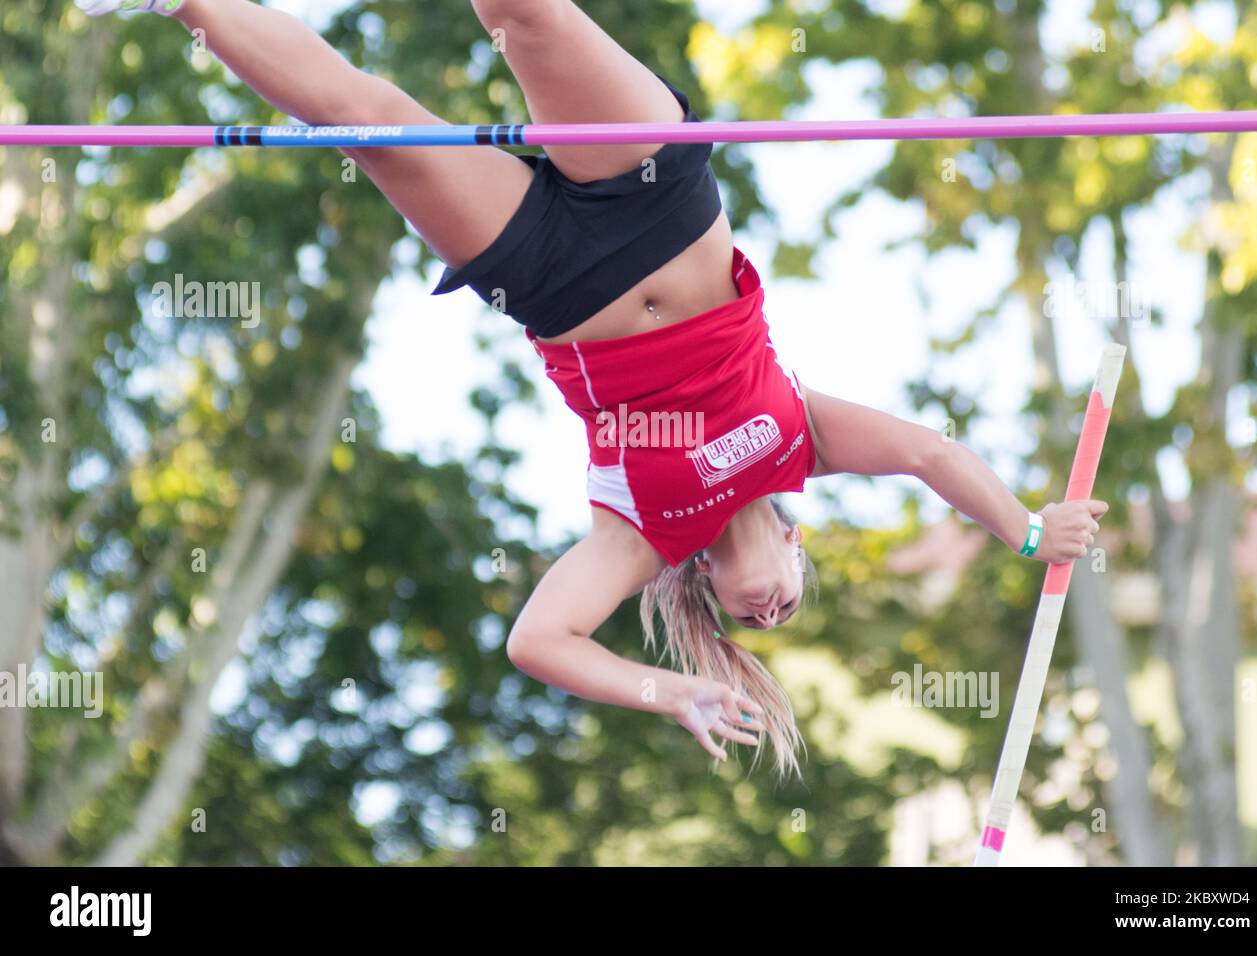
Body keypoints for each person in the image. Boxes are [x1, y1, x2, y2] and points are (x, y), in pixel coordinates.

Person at [78, 0, 1109, 779]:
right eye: (791, 604)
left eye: (755, 623)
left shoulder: (645, 531)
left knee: (370, 121)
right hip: (658, 202)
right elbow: (933, 455)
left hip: (551, 279)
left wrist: (668, 690)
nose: (772, 610)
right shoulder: (805, 440)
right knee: (524, 13)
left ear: (709, 584)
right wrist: (1027, 530)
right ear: (798, 542)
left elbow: (539, 639)